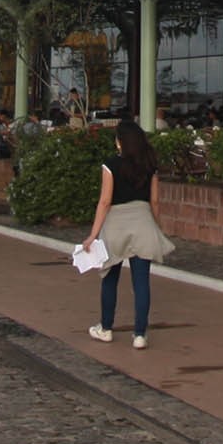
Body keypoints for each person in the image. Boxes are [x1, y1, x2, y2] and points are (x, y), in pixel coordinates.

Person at [79, 116, 175, 349]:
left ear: (120, 142)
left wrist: (93, 234)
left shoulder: (110, 165)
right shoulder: (149, 164)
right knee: (141, 281)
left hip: (115, 225)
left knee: (109, 278)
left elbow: (104, 201)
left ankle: (106, 328)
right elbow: (154, 201)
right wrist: (157, 225)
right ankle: (140, 334)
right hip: (143, 222)